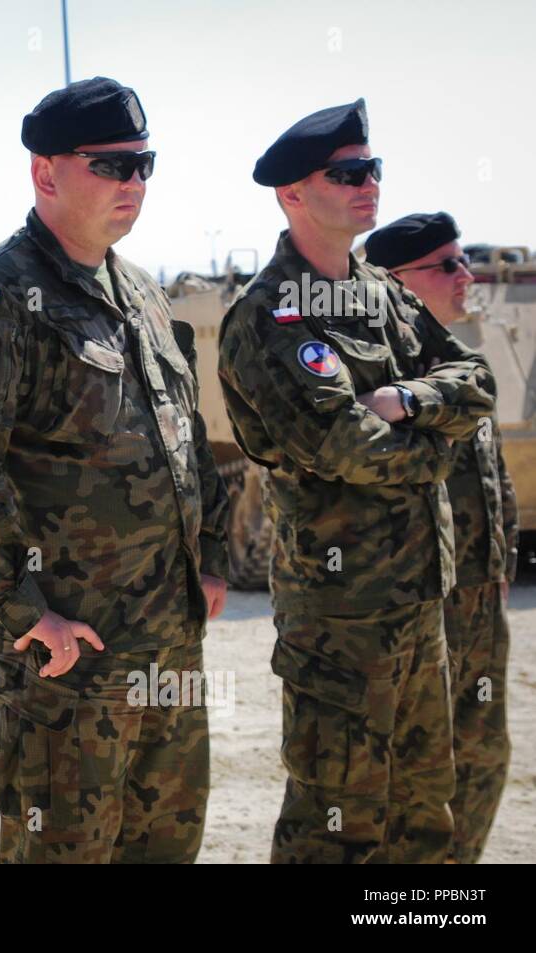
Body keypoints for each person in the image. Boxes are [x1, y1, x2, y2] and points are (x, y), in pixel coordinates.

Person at [0, 77, 229, 864]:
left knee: (165, 844)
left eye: (144, 164)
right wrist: (21, 610)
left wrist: (213, 557)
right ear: (45, 172)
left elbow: (187, 436)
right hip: (67, 661)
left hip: (167, 649)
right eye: (112, 165)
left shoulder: (144, 296)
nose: (135, 183)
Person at [218, 101, 496, 863]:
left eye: (372, 169)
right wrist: (437, 449)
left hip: (417, 601)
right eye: (346, 174)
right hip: (341, 622)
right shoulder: (271, 313)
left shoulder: (386, 294)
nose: (368, 184)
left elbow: (477, 381)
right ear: (294, 193)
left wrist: (408, 399)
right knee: (335, 825)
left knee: (424, 816)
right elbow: (347, 447)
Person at [365, 212, 515, 863]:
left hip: (481, 600)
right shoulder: (376, 380)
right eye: (446, 265)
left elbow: (493, 474)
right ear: (396, 282)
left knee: (482, 760)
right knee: (416, 779)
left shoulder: (462, 365)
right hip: (420, 603)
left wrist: (501, 558)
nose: (466, 275)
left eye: (463, 260)